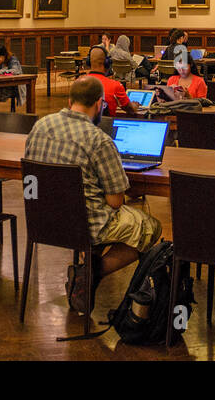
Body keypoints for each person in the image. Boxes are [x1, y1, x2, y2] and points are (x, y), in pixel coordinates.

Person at [24, 76, 162, 313]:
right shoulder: (99, 140)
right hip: (84, 225)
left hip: (43, 221)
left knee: (96, 206)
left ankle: (86, 271)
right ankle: (90, 273)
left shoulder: (40, 126)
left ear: (69, 101)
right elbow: (115, 201)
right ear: (100, 104)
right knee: (150, 227)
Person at [84, 47, 140, 116]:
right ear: (107, 63)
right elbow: (130, 109)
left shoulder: (77, 84)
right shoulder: (115, 86)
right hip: (106, 126)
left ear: (88, 62)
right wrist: (135, 106)